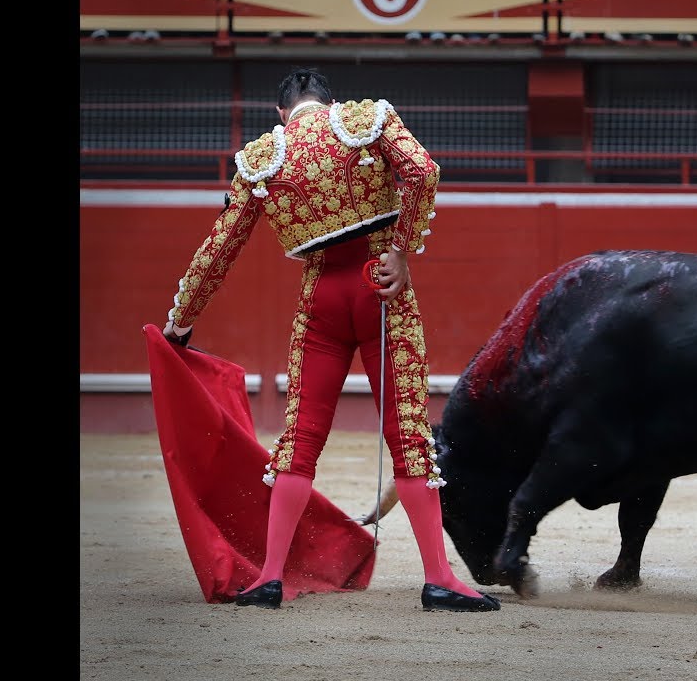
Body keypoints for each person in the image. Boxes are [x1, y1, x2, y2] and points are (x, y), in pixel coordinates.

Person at [161, 67, 500, 613]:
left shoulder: (263, 156)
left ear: (281, 113)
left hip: (320, 298)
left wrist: (180, 321)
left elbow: (219, 248)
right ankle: (438, 578)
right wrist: (402, 250)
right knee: (408, 434)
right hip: (380, 288)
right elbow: (422, 170)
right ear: (329, 103)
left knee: (300, 437)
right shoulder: (364, 120)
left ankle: (269, 578)